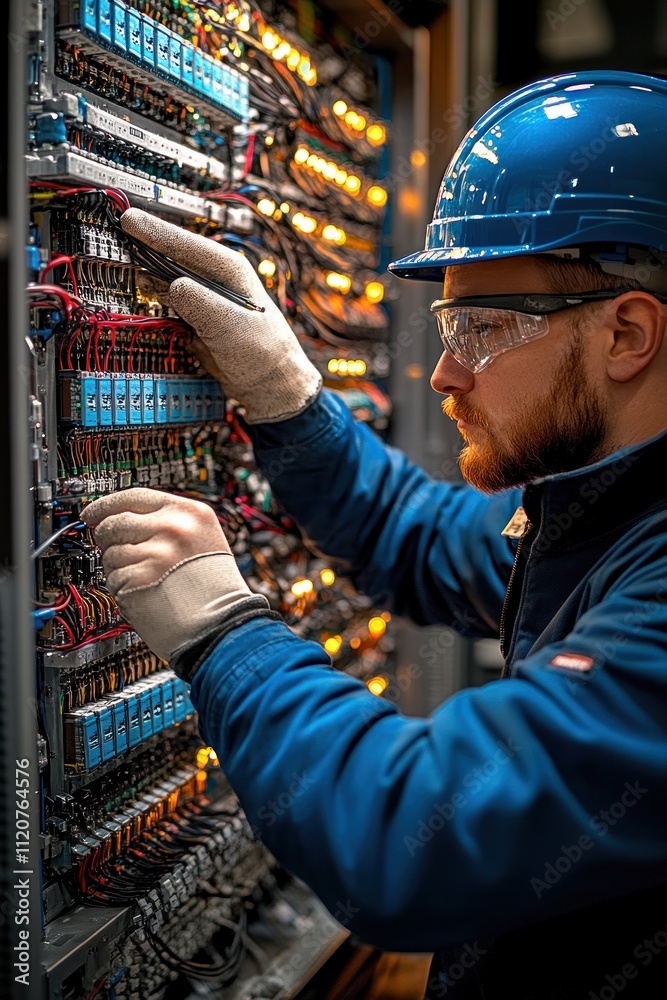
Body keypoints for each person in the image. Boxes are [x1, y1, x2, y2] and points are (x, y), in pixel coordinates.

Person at [83, 70, 667, 999]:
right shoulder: (610, 513)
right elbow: (423, 537)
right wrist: (288, 396)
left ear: (626, 335)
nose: (443, 374)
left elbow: (417, 837)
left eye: (477, 329)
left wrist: (223, 632)